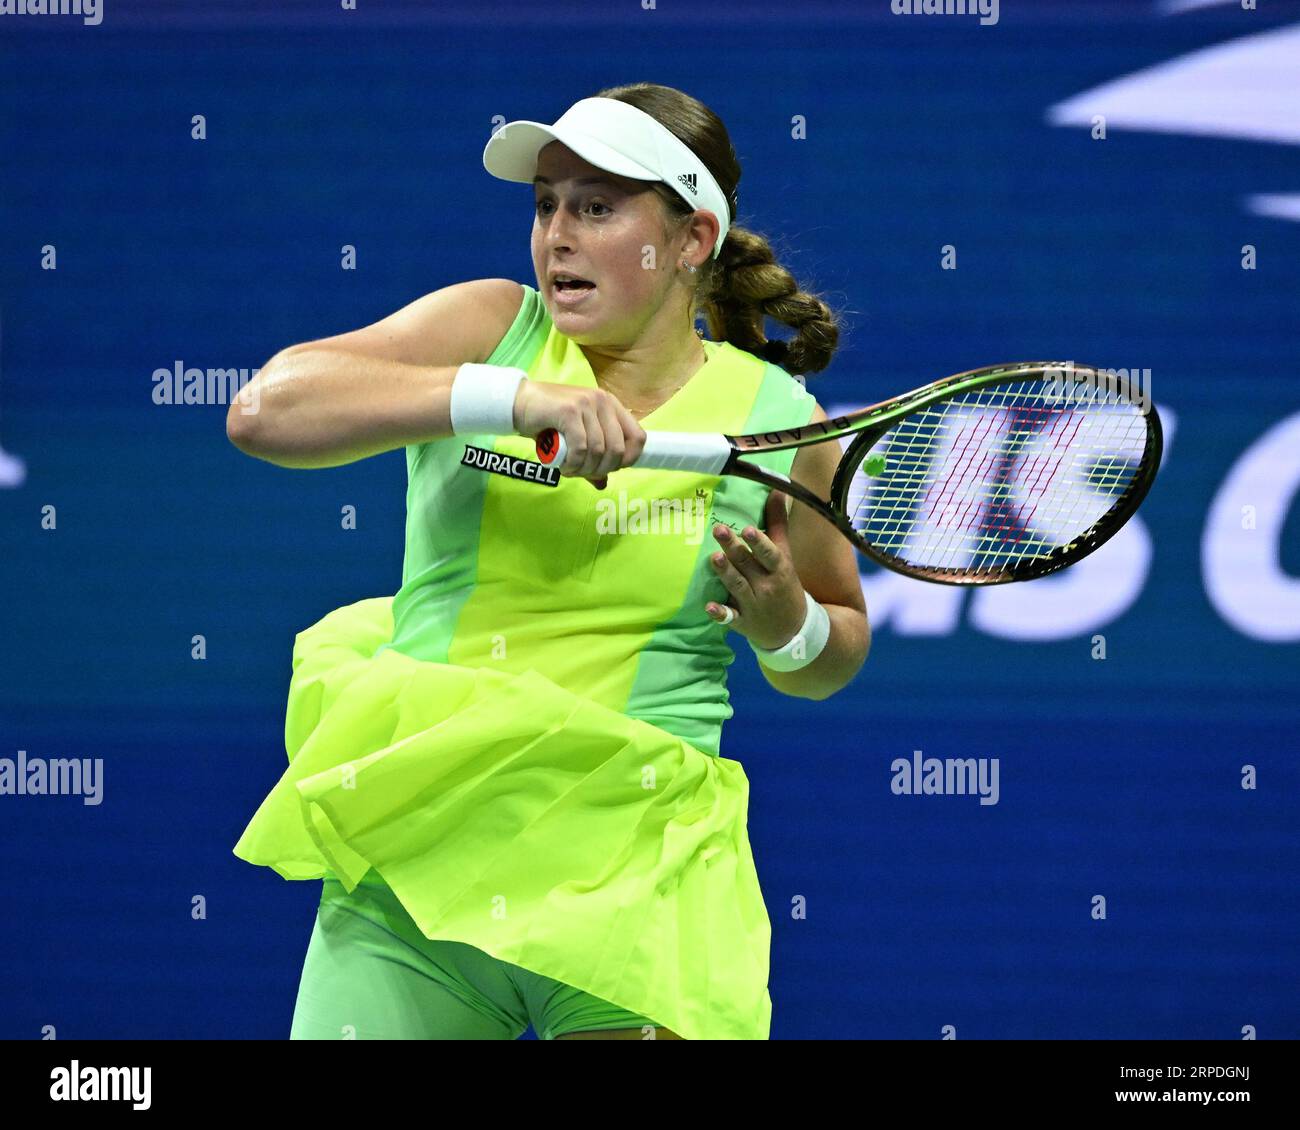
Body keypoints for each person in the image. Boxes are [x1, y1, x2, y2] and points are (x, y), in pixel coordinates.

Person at [228, 82, 869, 1041]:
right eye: (545, 205)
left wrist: (788, 627)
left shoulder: (783, 422)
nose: (556, 234)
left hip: (641, 871)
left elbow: (834, 648)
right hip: (424, 852)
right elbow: (266, 412)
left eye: (597, 207)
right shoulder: (493, 328)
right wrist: (508, 400)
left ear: (690, 240)